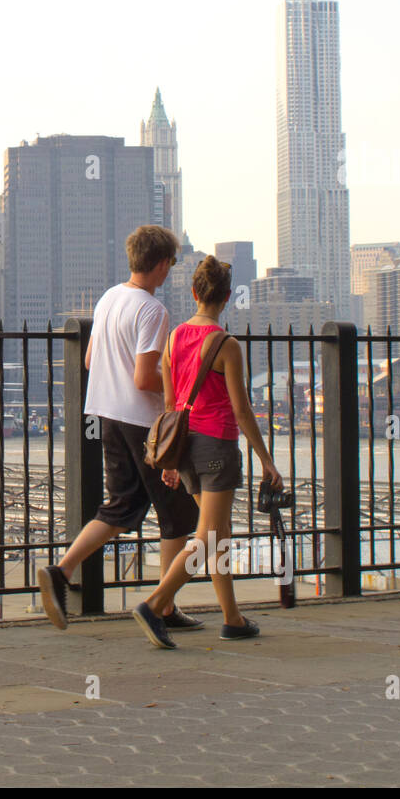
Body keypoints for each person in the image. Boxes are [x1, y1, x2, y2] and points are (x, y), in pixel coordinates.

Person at [37, 225, 202, 633]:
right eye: (172, 263)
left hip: (106, 417)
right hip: (143, 425)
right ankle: (162, 608)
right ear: (162, 263)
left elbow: (91, 359)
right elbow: (145, 379)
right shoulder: (152, 310)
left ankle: (63, 570)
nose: (170, 271)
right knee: (177, 515)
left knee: (121, 507)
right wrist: (181, 387)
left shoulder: (110, 297)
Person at [130, 256, 283, 649]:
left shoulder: (175, 337)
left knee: (218, 536)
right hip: (217, 445)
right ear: (227, 297)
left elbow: (170, 401)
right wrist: (266, 459)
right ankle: (155, 603)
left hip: (185, 447)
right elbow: (241, 409)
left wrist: (169, 459)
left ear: (195, 293)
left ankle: (232, 618)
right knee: (207, 537)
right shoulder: (226, 345)